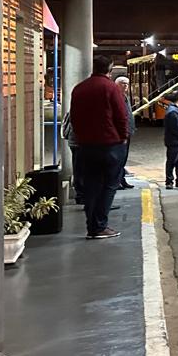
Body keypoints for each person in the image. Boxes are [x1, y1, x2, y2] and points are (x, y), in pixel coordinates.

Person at [69, 55, 129, 239]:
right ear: (109, 70)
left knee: (91, 186)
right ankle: (100, 225)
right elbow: (121, 115)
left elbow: (74, 117)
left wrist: (81, 137)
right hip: (110, 145)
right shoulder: (111, 88)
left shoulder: (79, 89)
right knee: (110, 185)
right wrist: (123, 136)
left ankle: (91, 226)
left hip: (86, 146)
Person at [115, 75, 135, 189]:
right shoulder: (116, 97)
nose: (126, 86)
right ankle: (117, 181)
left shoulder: (125, 97)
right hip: (121, 134)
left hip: (127, 133)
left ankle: (121, 179)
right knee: (119, 158)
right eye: (123, 83)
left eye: (127, 84)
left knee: (123, 158)